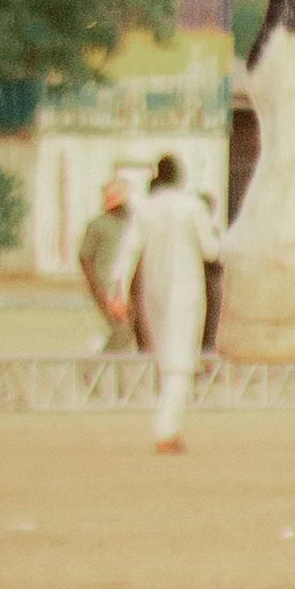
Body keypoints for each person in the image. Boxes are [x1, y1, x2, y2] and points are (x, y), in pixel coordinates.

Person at [114, 157, 219, 449]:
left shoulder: (144, 209)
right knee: (181, 365)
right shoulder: (193, 207)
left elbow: (128, 251)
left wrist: (119, 293)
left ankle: (170, 427)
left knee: (167, 361)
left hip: (154, 293)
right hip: (186, 291)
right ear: (181, 178)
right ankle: (166, 431)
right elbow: (211, 251)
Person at [76, 176, 134, 352]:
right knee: (122, 330)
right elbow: (85, 258)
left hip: (123, 287)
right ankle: (95, 368)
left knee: (126, 332)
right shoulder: (98, 225)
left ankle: (102, 367)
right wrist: (96, 288)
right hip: (106, 288)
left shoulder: (131, 224)